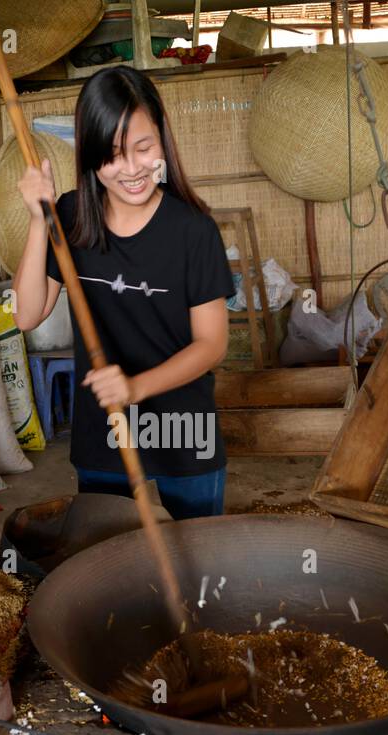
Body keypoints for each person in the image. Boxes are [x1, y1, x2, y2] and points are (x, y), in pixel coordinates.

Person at [13, 66, 234, 520]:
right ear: (91, 155)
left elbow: (212, 344)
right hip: (104, 431)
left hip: (182, 427)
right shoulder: (72, 217)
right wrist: (40, 220)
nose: (132, 169)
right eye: (113, 154)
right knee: (109, 564)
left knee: (200, 569)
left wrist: (135, 387)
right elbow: (26, 315)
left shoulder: (193, 230)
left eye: (143, 148)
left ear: (162, 140)